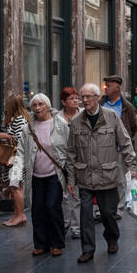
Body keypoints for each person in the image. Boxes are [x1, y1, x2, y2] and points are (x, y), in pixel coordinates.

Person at [67, 83, 136, 263]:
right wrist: (71, 179)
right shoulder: (76, 122)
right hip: (85, 176)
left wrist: (131, 167)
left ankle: (112, 238)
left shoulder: (111, 117)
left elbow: (125, 142)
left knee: (108, 214)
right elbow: (71, 152)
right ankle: (88, 249)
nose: (85, 100)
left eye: (89, 96)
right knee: (86, 216)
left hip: (108, 176)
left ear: (97, 97)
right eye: (83, 96)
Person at [12, 93, 69, 256]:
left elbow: (70, 148)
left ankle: (57, 243)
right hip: (35, 176)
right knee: (37, 210)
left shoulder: (60, 124)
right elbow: (20, 154)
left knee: (52, 206)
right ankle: (41, 243)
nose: (37, 108)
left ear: (48, 105)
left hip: (55, 175)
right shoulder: (27, 128)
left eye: (41, 104)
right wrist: (15, 178)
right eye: (34, 105)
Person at [102, 75, 137, 217]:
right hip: (102, 149)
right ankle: (102, 208)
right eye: (106, 85)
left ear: (117, 88)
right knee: (103, 179)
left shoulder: (127, 107)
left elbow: (133, 126)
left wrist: (125, 141)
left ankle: (119, 208)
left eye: (109, 85)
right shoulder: (101, 103)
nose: (106, 87)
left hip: (118, 149)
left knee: (121, 179)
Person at [0, 94, 31, 227]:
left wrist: (5, 135)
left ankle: (21, 215)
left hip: (17, 159)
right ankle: (16, 215)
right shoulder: (13, 119)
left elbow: (20, 139)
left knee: (15, 187)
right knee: (15, 187)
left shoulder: (20, 120)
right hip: (14, 159)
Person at [56, 87, 82, 239]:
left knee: (76, 195)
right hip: (60, 161)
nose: (75, 101)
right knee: (63, 195)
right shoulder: (56, 118)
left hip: (79, 160)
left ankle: (77, 226)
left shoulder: (83, 115)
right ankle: (65, 222)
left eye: (76, 98)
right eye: (71, 98)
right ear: (63, 102)